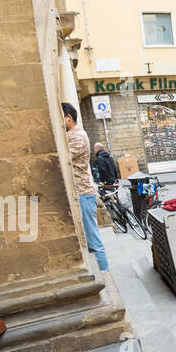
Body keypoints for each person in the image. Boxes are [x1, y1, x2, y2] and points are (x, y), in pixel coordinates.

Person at [62, 102, 108, 272]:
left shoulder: (78, 136)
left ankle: (105, 272)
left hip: (83, 194)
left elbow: (64, 158)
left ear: (68, 117)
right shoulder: (71, 135)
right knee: (89, 241)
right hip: (79, 194)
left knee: (94, 240)